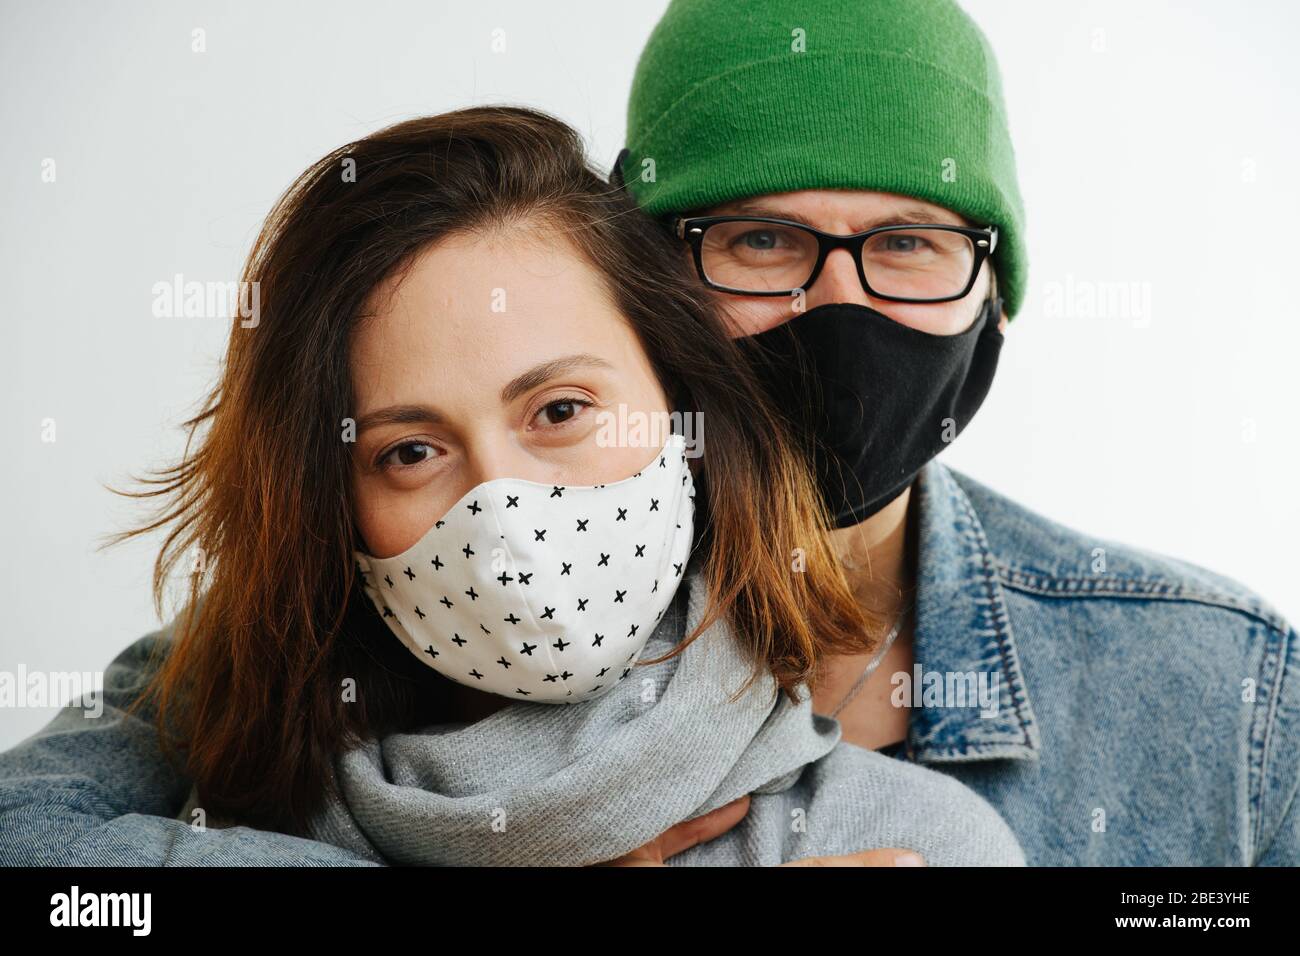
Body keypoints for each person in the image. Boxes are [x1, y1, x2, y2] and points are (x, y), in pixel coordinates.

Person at [0, 106, 1023, 867]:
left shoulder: (904, 840)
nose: (503, 515)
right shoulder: (221, 766)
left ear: (681, 406)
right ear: (331, 506)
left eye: (560, 410)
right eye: (409, 451)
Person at [616, 0, 1298, 865]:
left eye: (907, 243)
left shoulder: (1229, 698)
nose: (838, 305)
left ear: (994, 300)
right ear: (641, 285)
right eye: (759, 240)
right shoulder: (483, 667)